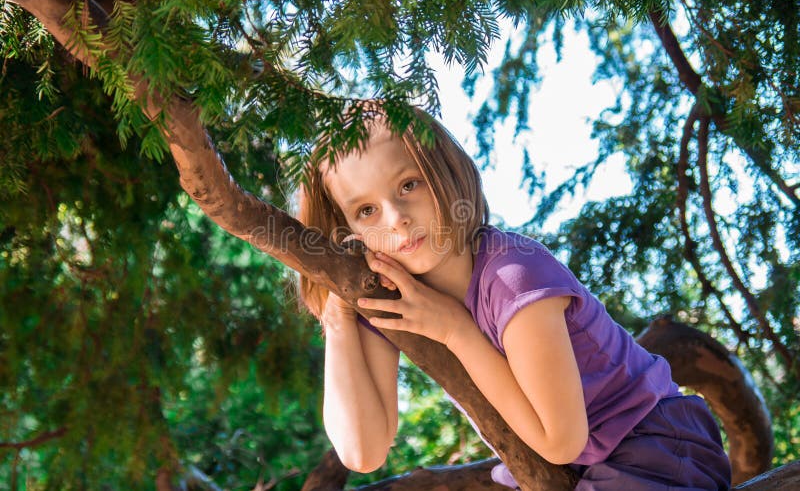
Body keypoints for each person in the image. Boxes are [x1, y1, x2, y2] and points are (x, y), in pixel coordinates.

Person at [296, 107, 732, 490]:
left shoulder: (512, 273)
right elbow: (362, 451)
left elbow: (561, 440)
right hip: (574, 468)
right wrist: (336, 311)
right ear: (348, 229)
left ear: (445, 173)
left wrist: (455, 329)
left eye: (409, 184)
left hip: (656, 445)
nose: (396, 219)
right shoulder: (398, 297)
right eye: (365, 211)